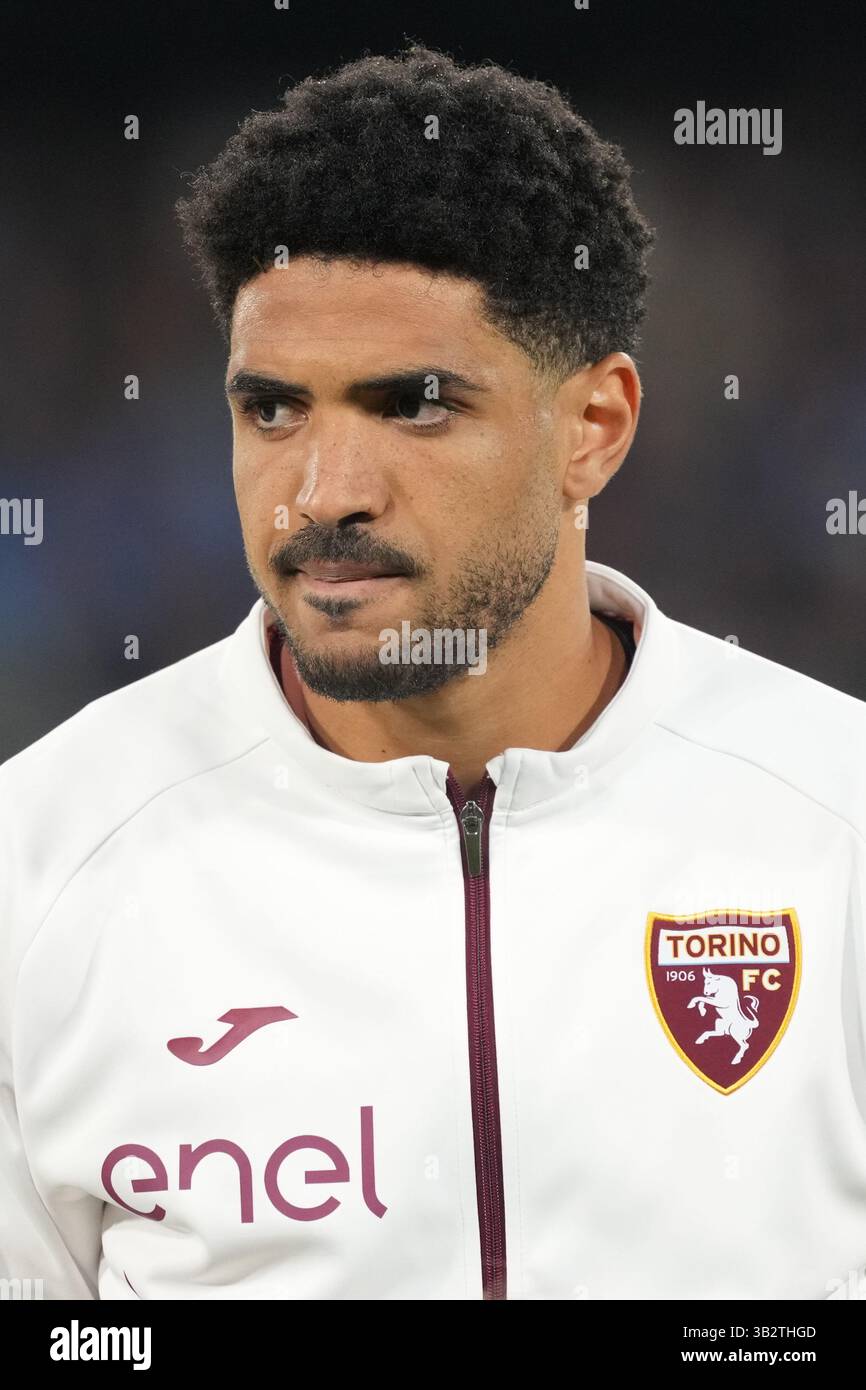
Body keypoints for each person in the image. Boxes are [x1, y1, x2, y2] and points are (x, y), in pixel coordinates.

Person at [1, 43, 864, 1303]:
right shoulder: (40, 861)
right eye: (273, 409)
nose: (321, 493)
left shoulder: (835, 820)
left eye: (413, 404)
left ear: (593, 429)